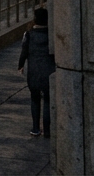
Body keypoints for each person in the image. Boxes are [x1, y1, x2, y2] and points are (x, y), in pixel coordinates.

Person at [18, 8, 56, 138]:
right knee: (48, 100)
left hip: (33, 70)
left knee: (34, 99)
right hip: (49, 69)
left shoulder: (28, 34)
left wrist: (20, 65)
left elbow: (24, 52)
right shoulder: (51, 35)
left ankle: (35, 128)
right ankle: (47, 129)